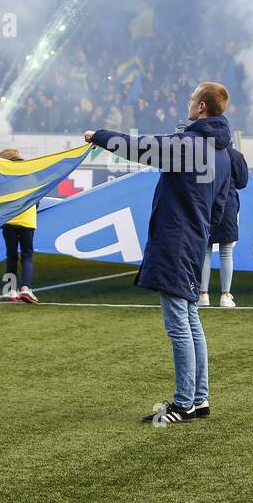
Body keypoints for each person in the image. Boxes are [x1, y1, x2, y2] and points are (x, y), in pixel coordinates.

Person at [85, 82, 232, 424]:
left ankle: (183, 403)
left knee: (178, 323)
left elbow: (138, 147)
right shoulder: (224, 152)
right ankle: (200, 398)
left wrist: (98, 136)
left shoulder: (191, 145)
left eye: (193, 98)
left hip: (176, 240)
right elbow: (221, 205)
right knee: (191, 318)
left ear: (202, 109)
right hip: (195, 240)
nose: (188, 102)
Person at [199, 143, 248, 309]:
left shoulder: (203, 154)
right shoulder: (235, 155)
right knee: (226, 252)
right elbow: (242, 182)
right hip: (228, 205)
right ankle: (225, 295)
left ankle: (202, 294)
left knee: (205, 251)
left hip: (206, 205)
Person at [0, 147, 38, 304]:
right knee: (27, 256)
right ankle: (26, 289)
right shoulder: (31, 177)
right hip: (28, 221)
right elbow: (37, 200)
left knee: (11, 256)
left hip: (9, 221)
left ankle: (11, 291)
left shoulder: (4, 179)